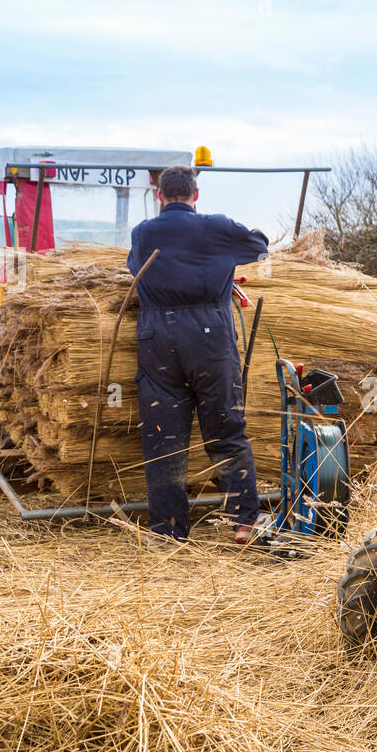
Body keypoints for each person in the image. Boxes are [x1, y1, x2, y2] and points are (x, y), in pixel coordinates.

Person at [127, 164, 269, 544]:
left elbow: (134, 270)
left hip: (157, 338)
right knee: (225, 427)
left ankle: (169, 533)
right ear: (196, 194)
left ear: (159, 195)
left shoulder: (143, 232)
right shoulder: (216, 226)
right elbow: (259, 246)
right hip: (210, 336)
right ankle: (244, 520)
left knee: (163, 437)